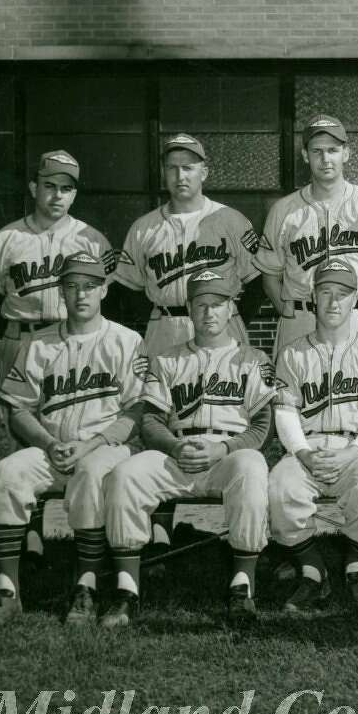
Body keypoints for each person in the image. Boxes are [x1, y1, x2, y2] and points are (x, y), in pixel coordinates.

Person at [100, 269, 276, 628]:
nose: (209, 313)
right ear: (189, 310)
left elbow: (262, 428)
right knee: (124, 475)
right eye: (201, 305)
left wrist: (224, 449)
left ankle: (242, 586)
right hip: (177, 450)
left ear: (231, 310)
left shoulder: (254, 359)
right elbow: (150, 422)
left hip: (227, 453)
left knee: (252, 466)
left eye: (218, 304)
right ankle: (126, 590)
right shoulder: (166, 359)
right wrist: (174, 445)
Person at [0, 252, 145, 626]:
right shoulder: (38, 343)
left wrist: (89, 445)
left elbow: (137, 412)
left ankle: (85, 587)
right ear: (61, 292)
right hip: (50, 446)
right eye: (71, 287)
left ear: (104, 290)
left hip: (105, 447)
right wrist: (48, 443)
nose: (80, 295)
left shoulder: (126, 340)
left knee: (90, 474)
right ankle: (8, 591)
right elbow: (18, 409)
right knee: (7, 474)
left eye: (89, 287)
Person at [267, 258, 358, 616]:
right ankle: (313, 571)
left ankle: (356, 567)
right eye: (325, 292)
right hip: (306, 448)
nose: (332, 302)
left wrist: (355, 451)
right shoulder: (292, 353)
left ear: (355, 299)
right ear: (312, 297)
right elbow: (285, 412)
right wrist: (302, 453)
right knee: (280, 488)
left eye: (342, 294)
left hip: (353, 447)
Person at [256, 114, 358, 357]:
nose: (325, 159)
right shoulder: (284, 210)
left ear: (346, 153)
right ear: (304, 155)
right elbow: (270, 275)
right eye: (317, 151)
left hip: (356, 317)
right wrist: (288, 311)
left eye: (332, 150)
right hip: (301, 319)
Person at [0, 149, 114, 392]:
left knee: (71, 422)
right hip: (22, 339)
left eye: (66, 188)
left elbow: (110, 300)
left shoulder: (93, 241)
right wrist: (13, 332)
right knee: (19, 421)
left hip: (74, 339)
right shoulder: (5, 238)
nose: (57, 195)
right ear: (33, 188)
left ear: (74, 195)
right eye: (49, 186)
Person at [115, 133, 263, 357]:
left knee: (225, 390)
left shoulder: (232, 220)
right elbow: (129, 286)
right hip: (166, 327)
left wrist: (232, 316)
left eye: (188, 168)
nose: (179, 175)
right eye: (172, 168)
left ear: (203, 173)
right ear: (164, 173)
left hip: (220, 325)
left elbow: (258, 280)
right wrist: (158, 317)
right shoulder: (143, 227)